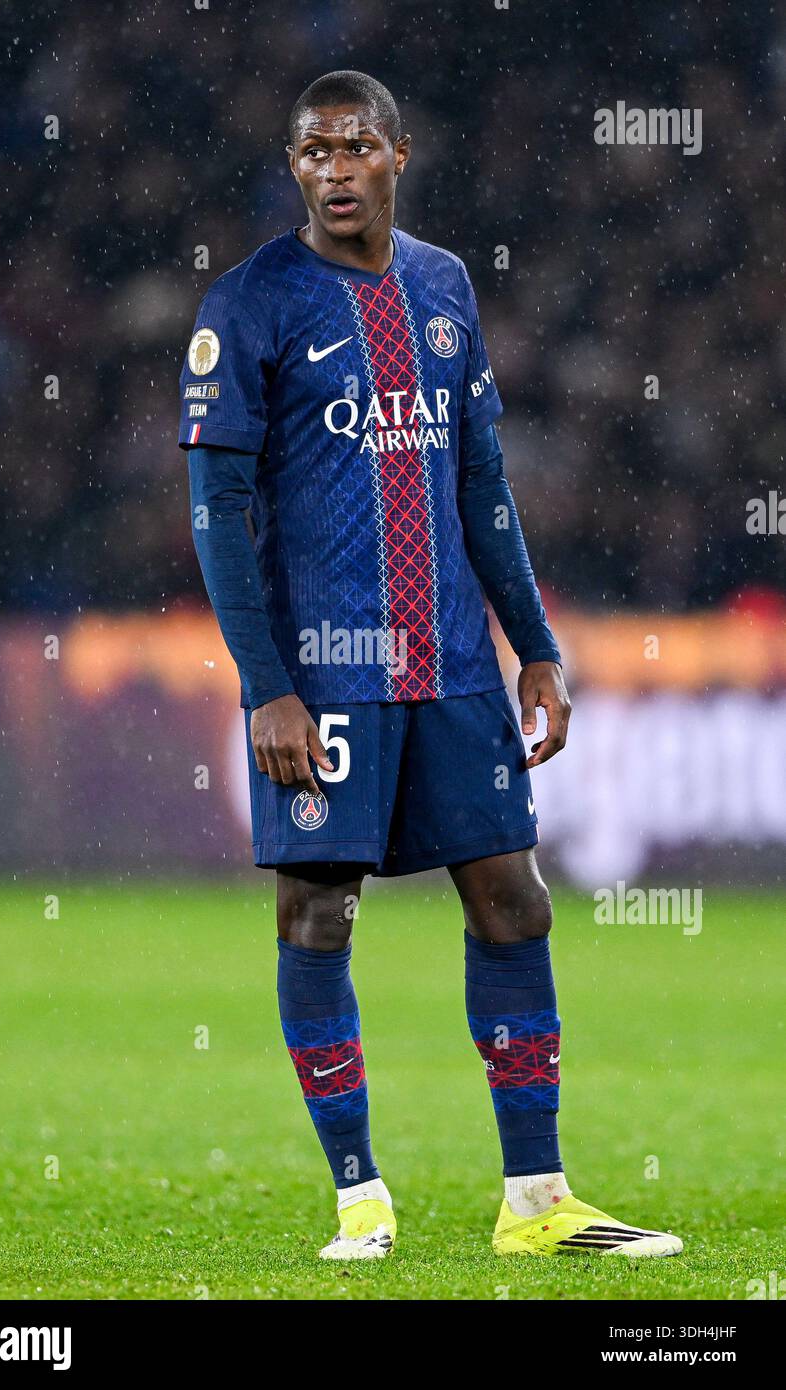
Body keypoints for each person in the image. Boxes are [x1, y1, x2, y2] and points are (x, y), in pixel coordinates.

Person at [179, 70, 682, 1260]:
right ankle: (359, 1196)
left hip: (454, 662)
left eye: (357, 146)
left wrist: (536, 646)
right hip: (329, 675)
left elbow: (479, 485)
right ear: (292, 166)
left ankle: (537, 1203)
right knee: (317, 914)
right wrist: (269, 684)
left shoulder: (444, 286)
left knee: (513, 900)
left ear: (398, 156)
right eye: (313, 152)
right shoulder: (247, 304)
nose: (336, 169)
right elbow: (216, 512)